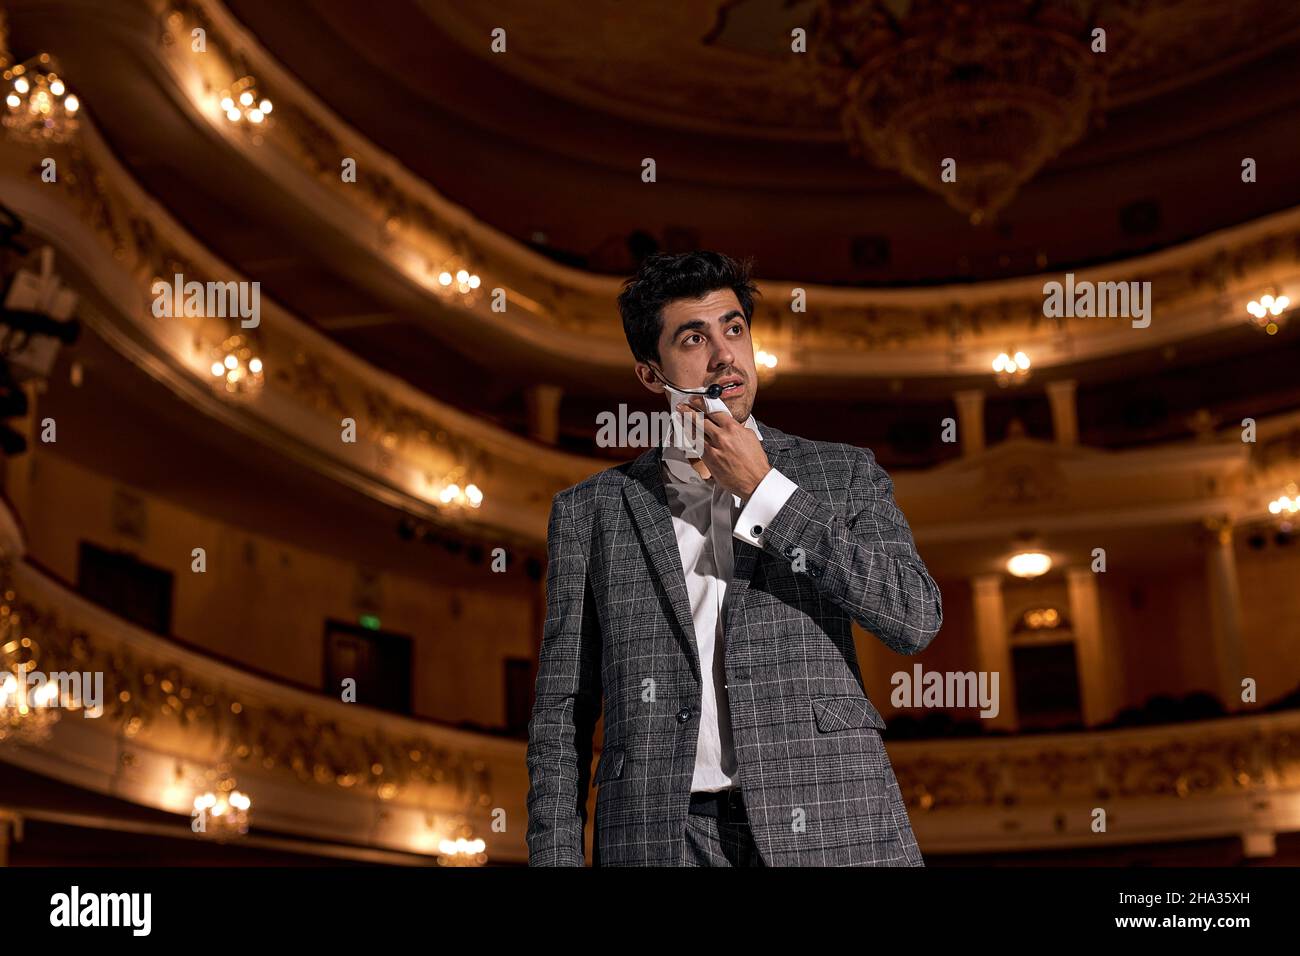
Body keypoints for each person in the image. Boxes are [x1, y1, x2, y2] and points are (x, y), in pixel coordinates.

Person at [526, 250, 943, 866]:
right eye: (694, 337)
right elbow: (562, 709)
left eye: (735, 329)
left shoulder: (842, 473)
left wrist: (768, 493)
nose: (724, 355)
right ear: (650, 374)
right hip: (659, 836)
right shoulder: (591, 512)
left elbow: (913, 618)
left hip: (831, 815)